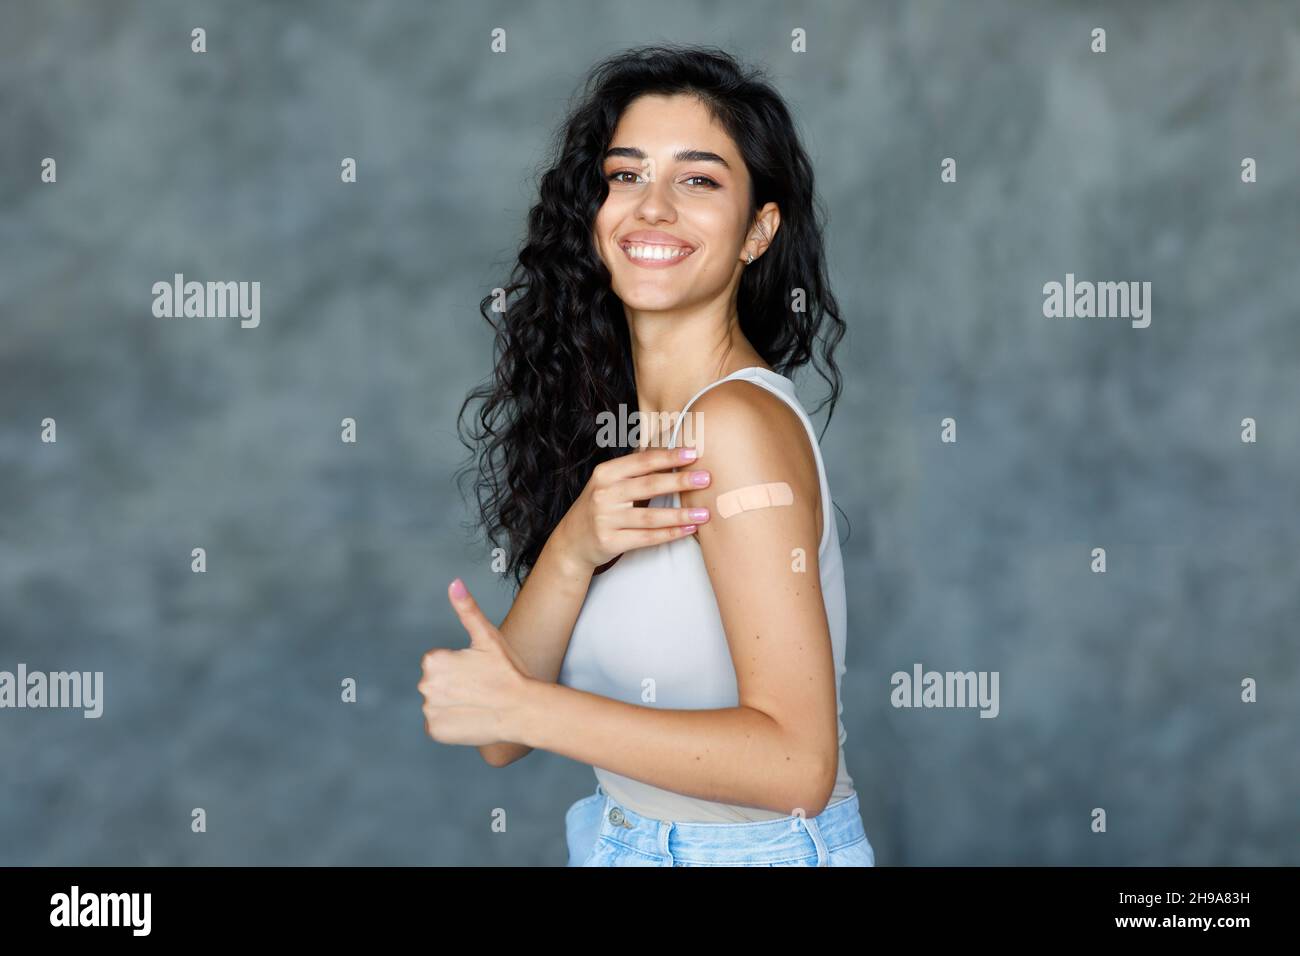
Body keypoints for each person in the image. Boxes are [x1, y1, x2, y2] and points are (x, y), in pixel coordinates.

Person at [423, 44, 874, 866]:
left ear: (758, 231)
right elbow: (498, 737)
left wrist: (526, 711)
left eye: (698, 180)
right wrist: (573, 546)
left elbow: (797, 764)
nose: (651, 208)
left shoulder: (735, 424)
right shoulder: (631, 434)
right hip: (626, 841)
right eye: (626, 176)